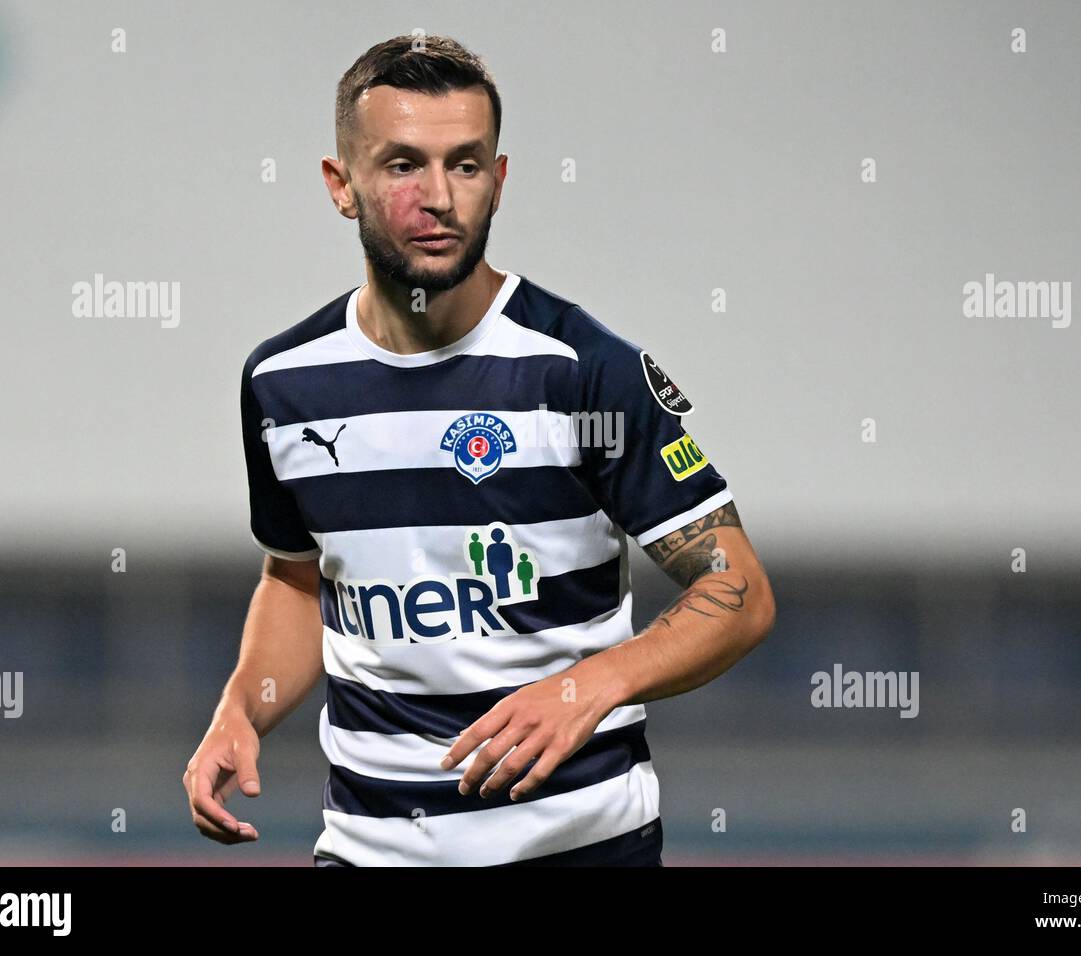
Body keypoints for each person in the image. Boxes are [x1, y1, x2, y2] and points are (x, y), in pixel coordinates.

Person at [183, 33, 776, 866]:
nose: (439, 198)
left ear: (498, 181)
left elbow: (740, 592)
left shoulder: (583, 371)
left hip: (580, 850)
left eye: (465, 165)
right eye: (401, 166)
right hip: (368, 852)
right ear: (340, 186)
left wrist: (591, 685)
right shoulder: (284, 385)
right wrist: (241, 710)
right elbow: (296, 580)